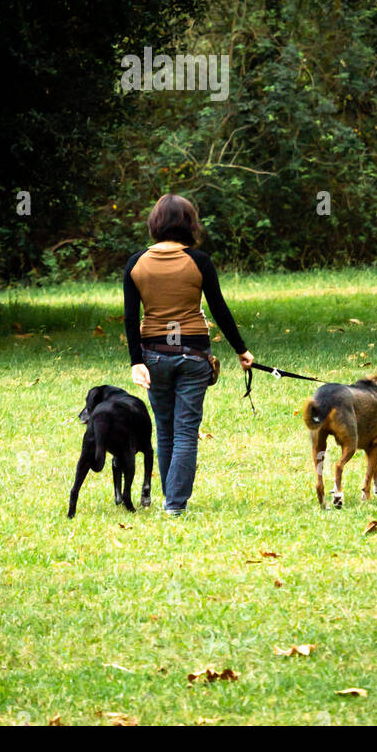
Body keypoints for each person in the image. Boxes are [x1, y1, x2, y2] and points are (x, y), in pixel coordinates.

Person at [124, 194, 253, 516]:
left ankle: (172, 500)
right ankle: (174, 505)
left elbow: (129, 317)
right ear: (190, 223)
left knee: (165, 429)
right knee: (185, 431)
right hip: (193, 355)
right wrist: (241, 350)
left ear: (155, 223)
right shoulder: (199, 261)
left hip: (153, 353)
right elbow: (219, 308)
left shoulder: (136, 262)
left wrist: (136, 361)